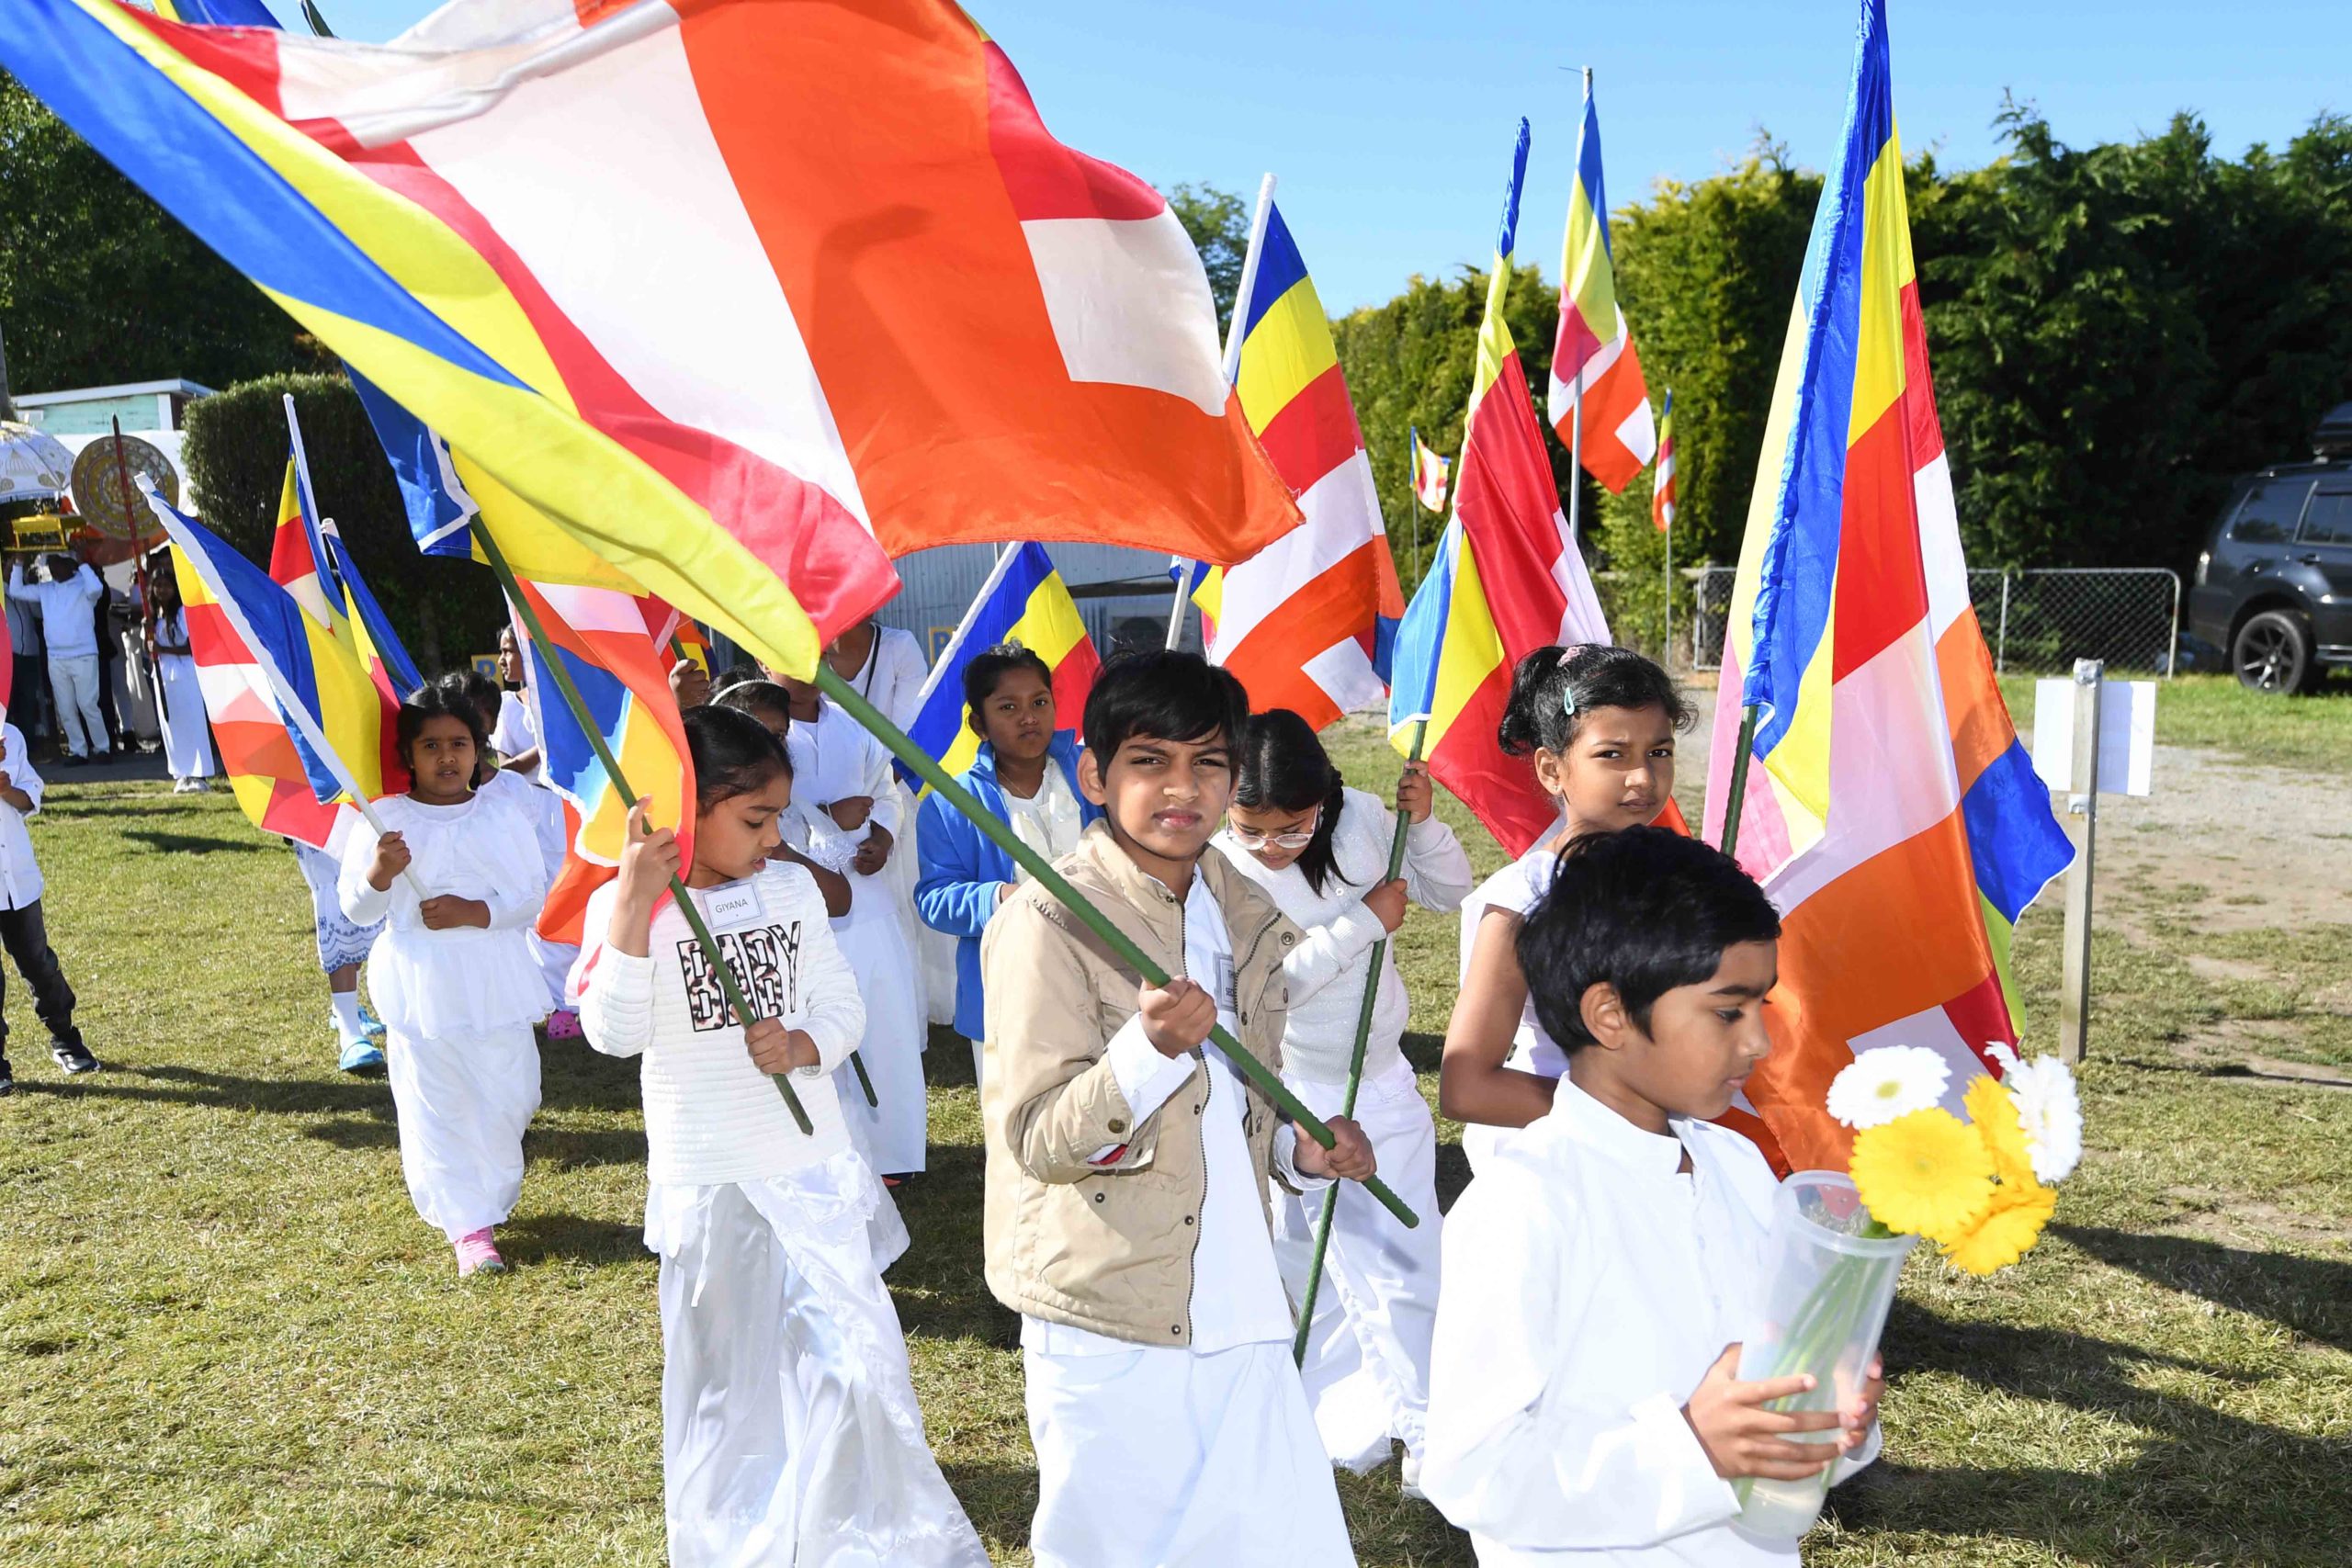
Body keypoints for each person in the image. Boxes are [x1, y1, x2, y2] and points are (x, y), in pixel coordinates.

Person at [980, 649, 1376, 1568]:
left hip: (1239, 1297)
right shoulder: (1047, 924)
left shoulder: (1240, 910)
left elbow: (1238, 1109)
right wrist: (1144, 1052)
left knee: (1276, 1543)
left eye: (1207, 763)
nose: (1180, 789)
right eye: (1148, 761)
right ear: (1095, 773)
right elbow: (1038, 1139)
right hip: (1112, 1304)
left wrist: (1296, 1157)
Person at [576, 705, 989, 1568]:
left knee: (851, 1361)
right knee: (732, 1386)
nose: (774, 838)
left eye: (777, 818)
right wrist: (630, 906)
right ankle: (739, 1540)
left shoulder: (792, 888)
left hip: (810, 1164)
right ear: (690, 806)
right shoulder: (639, 906)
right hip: (712, 1176)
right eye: (756, 819)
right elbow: (611, 1031)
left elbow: (842, 1005)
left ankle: (857, 1535)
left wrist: (806, 1043)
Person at [1420, 826, 1883, 1563]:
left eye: (1761, 1004)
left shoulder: (1739, 1167)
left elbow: (1774, 1377)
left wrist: (1825, 1406)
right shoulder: (1524, 1202)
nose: (1759, 1041)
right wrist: (1691, 1448)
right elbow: (1472, 1468)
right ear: (1610, 1015)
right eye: (1728, 1011)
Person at [1215, 708, 1473, 1491]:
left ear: (1322, 801)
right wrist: (1360, 923)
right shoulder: (1218, 866)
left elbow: (1449, 887)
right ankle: (1338, 1417)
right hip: (1292, 1084)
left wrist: (1422, 826)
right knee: (1307, 1262)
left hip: (1380, 1070)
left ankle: (1430, 1434)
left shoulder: (1363, 816)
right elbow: (1265, 992)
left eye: (1290, 829)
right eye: (1251, 827)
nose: (1270, 847)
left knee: (1404, 1258)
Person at [1442, 645, 1691, 1168]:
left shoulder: (1680, 876)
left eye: (1659, 752)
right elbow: (1467, 1087)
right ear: (1552, 769)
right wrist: (1627, 1115)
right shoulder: (1523, 904)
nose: (1643, 778)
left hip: (1660, 1146)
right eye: (1613, 755)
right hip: (1561, 1155)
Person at [338, 682, 554, 1276]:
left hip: (493, 975)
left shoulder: (503, 812)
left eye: (458, 742)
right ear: (408, 753)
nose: (445, 756)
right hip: (421, 982)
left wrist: (474, 912)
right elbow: (356, 909)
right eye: (430, 744)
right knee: (439, 1102)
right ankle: (469, 1224)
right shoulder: (385, 821)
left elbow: (531, 895)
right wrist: (379, 873)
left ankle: (491, 1188)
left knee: (511, 1095)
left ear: (479, 747)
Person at [768, 671, 929, 1184]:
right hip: (797, 901)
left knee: (886, 1024)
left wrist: (881, 838)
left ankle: (890, 1153)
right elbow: (761, 811)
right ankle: (829, 1153)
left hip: (870, 900)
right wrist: (825, 813)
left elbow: (888, 792)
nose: (806, 664)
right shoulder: (762, 725)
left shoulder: (856, 723)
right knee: (815, 1025)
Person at [914, 645, 1098, 1087]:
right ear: (978, 723)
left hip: (1102, 966)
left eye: (1039, 702)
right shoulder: (950, 803)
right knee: (1018, 1114)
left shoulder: (1093, 772)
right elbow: (935, 899)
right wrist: (1003, 898)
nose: (1028, 717)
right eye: (1008, 707)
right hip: (1009, 983)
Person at [823, 615, 951, 1027]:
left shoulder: (899, 646)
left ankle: (917, 1006)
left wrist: (878, 803)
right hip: (831, 807)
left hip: (896, 792)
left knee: (908, 904)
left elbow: (911, 736)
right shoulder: (804, 650)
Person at [441, 670, 573, 1038]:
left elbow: (529, 871)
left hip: (502, 923)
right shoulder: (421, 801)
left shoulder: (514, 790)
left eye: (475, 733)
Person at [0, 720, 98, 1094]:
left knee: (38, 962)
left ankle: (66, 1040)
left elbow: (30, 796)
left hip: (17, 879)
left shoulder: (9, 733)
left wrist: (8, 790)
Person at [7, 554, 108, 763]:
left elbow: (97, 589)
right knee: (65, 708)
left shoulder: (84, 584)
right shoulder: (46, 589)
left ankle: (102, 748)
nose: (52, 568)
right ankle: (78, 750)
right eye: (50, 564)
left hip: (83, 655)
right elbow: (16, 591)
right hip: (56, 657)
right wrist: (18, 563)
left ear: (70, 565)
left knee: (88, 704)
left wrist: (83, 562)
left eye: (57, 563)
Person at [146, 559, 215, 793]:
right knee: (171, 725)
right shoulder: (153, 616)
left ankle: (199, 773)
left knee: (191, 722)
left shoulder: (182, 613)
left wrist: (162, 650)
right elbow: (150, 649)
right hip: (164, 676)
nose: (162, 590)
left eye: (166, 585)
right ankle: (182, 772)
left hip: (185, 674)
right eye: (158, 585)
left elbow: (192, 646)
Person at [488, 626, 541, 775]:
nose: (500, 661)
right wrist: (546, 747)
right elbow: (506, 768)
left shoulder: (567, 702)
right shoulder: (507, 704)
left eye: (508, 651)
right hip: (529, 796)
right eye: (501, 652)